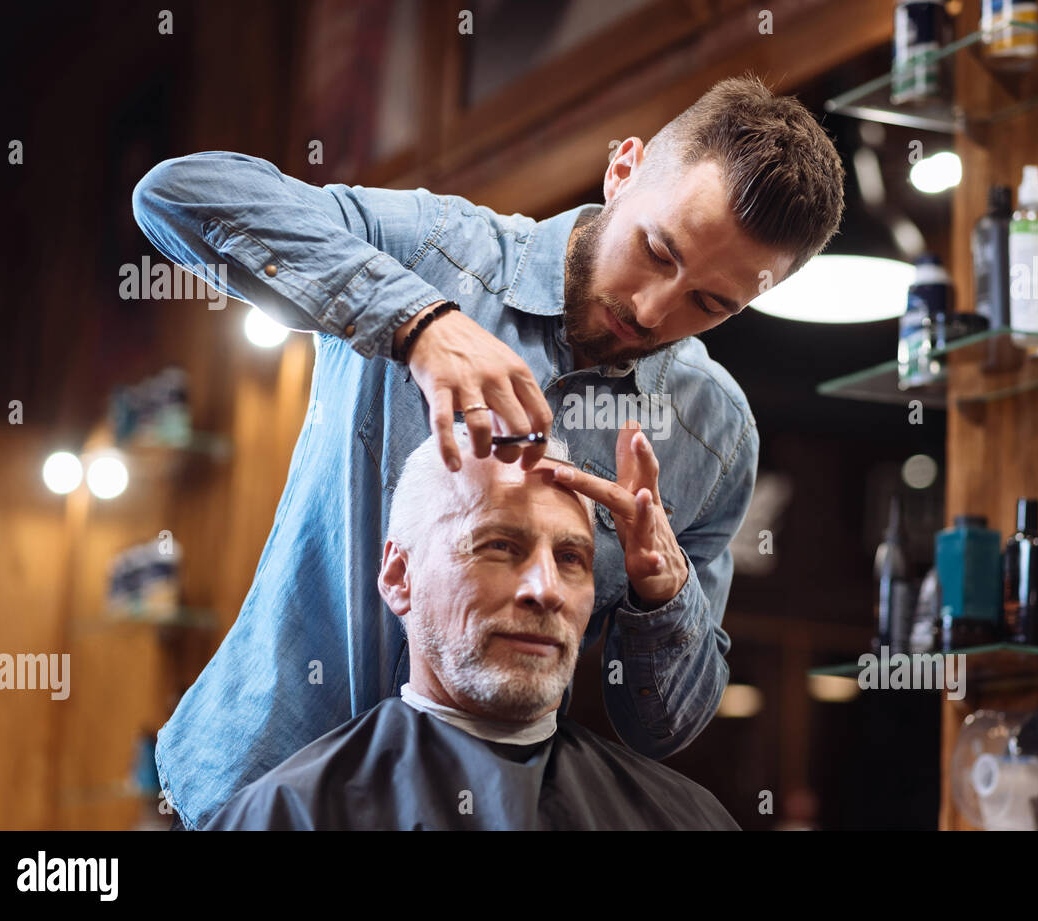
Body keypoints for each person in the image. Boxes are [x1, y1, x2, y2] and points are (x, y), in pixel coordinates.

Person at [132, 73, 844, 829]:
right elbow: (178, 193)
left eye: (711, 304)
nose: (652, 309)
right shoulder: (434, 252)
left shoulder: (714, 433)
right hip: (250, 791)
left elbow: (662, 727)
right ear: (623, 169)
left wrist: (661, 596)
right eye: (657, 251)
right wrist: (415, 321)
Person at [205, 425, 738, 830]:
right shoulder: (291, 813)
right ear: (399, 577)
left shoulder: (683, 817)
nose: (546, 590)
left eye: (572, 558)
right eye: (500, 547)